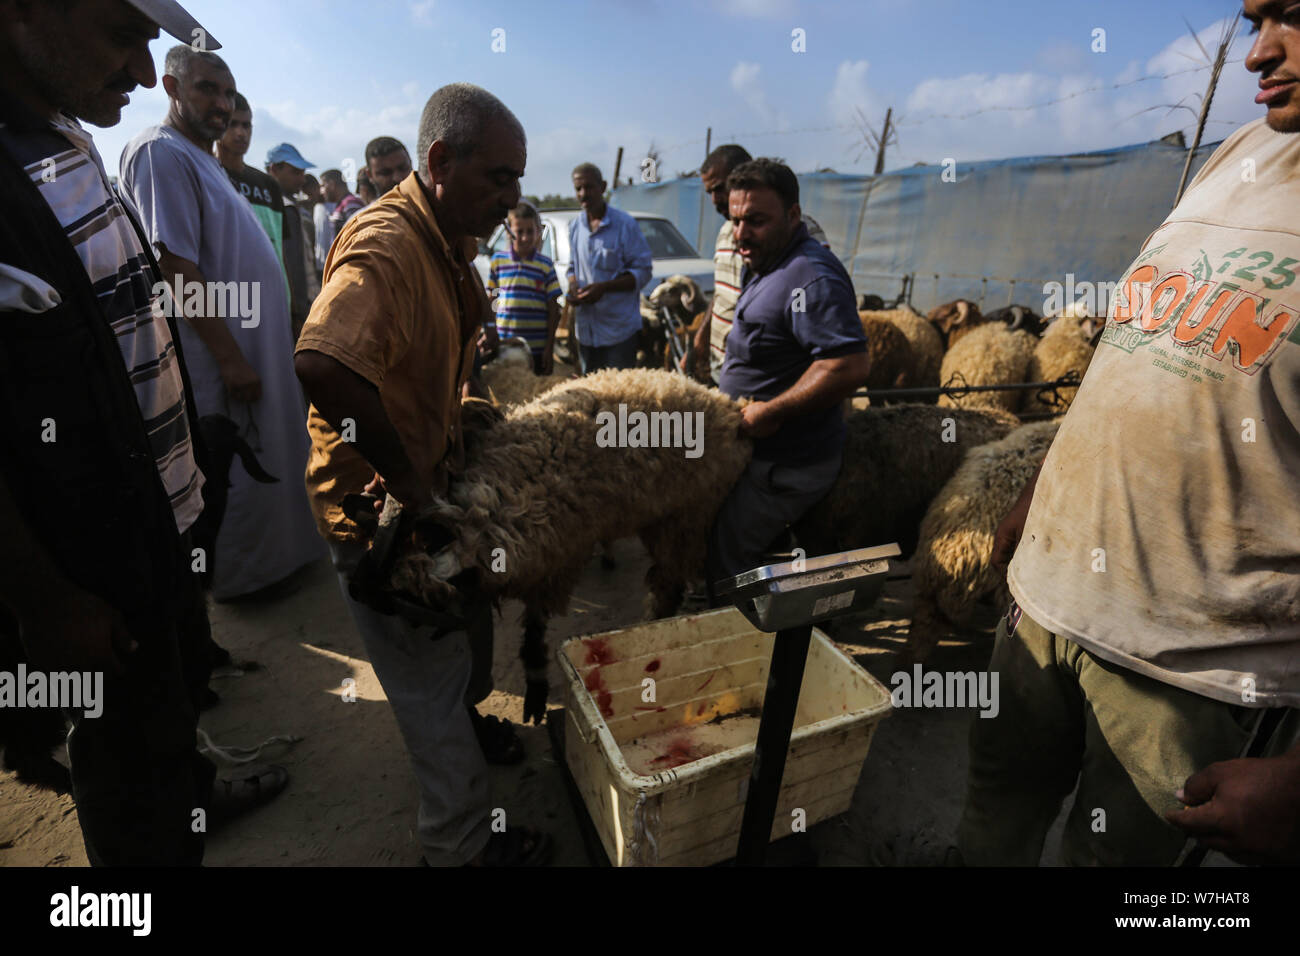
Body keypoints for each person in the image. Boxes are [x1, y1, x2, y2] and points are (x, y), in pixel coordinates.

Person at [959, 0, 1300, 867]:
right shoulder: (1246, 154)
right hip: (1046, 601)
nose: (1261, 52)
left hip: (1190, 667)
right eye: (1256, 19)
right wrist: (1045, 494)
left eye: (1293, 16)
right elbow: (1146, 343)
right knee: (991, 823)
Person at [0, 0, 286, 866]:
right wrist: (43, 600)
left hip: (151, 526)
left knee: (165, 720)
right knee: (127, 770)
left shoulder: (62, 132)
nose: (136, 68)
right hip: (86, 572)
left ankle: (191, 802)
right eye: (121, 33)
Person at [294, 82, 551, 866]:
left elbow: (459, 344)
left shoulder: (448, 244)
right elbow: (322, 363)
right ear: (439, 160)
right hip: (381, 517)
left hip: (430, 488)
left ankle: (468, 722)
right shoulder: (389, 244)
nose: (513, 196)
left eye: (518, 179)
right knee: (428, 676)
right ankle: (461, 846)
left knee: (464, 631)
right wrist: (409, 487)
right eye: (500, 178)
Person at [120, 45, 324, 602]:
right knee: (237, 464)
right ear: (171, 87)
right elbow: (174, 263)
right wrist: (231, 358)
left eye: (228, 93)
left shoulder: (200, 157)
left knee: (270, 456)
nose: (220, 102)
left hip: (255, 348)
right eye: (207, 88)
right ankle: (245, 578)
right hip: (220, 358)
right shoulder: (159, 153)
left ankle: (280, 561)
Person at [706, 158, 868, 586]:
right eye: (736, 220)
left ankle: (748, 643)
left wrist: (773, 411)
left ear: (794, 215)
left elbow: (847, 364)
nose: (741, 234)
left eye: (756, 221)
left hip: (787, 465)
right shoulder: (765, 262)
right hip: (756, 455)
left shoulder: (810, 276)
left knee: (728, 558)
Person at [695, 144, 832, 385]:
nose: (715, 199)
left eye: (720, 188)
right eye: (710, 192)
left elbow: (812, 304)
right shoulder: (727, 233)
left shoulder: (800, 238)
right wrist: (702, 336)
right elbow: (724, 292)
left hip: (769, 382)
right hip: (724, 366)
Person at [565, 162, 653, 372]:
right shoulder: (576, 227)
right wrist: (573, 287)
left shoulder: (625, 225)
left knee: (619, 400)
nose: (583, 194)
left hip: (618, 334)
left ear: (603, 187)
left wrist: (603, 288)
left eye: (589, 187)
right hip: (587, 333)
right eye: (578, 188)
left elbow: (643, 271)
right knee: (593, 397)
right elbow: (571, 268)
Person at [215, 93, 288, 299]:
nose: (241, 133)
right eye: (233, 124)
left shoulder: (268, 184)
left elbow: (281, 251)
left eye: (246, 126)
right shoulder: (208, 178)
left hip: (276, 297)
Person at [487, 201, 562, 373]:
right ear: (508, 232)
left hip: (536, 348)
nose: (525, 237)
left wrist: (549, 348)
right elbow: (493, 299)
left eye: (530, 231)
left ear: (538, 232)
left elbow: (553, 309)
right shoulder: (498, 261)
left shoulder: (545, 265)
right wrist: (492, 328)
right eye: (519, 232)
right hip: (507, 346)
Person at [266, 142, 319, 339]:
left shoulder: (281, 205)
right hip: (300, 305)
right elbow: (293, 266)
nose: (301, 179)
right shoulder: (287, 209)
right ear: (274, 169)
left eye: (302, 173)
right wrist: (298, 312)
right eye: (295, 172)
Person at [321, 168, 363, 235]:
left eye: (323, 185)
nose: (321, 191)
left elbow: (357, 234)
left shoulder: (351, 203)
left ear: (332, 184)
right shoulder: (341, 205)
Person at [307, 172, 334, 273]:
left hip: (330, 262)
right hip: (318, 265)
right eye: (306, 194)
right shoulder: (309, 209)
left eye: (311, 192)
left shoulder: (329, 207)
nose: (309, 197)